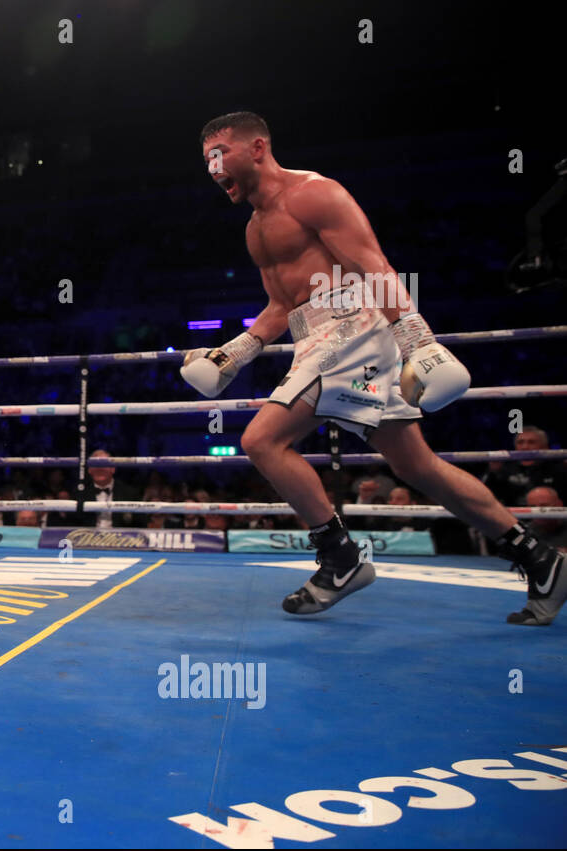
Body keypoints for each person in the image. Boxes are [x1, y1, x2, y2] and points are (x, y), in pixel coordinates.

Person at [182, 112, 566, 625]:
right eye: (206, 158)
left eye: (220, 153)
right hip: (314, 334)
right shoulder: (255, 230)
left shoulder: (313, 194)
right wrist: (232, 354)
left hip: (354, 325)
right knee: (415, 465)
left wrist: (418, 342)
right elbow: (280, 307)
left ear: (257, 148)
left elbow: (374, 265)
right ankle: (538, 557)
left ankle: (340, 558)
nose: (212, 168)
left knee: (261, 440)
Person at [82, 450, 139, 529]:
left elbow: (139, 525)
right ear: (89, 470)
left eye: (104, 464)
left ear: (113, 468)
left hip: (121, 539)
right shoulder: (80, 493)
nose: (100, 469)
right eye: (96, 465)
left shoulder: (129, 493)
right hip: (87, 539)